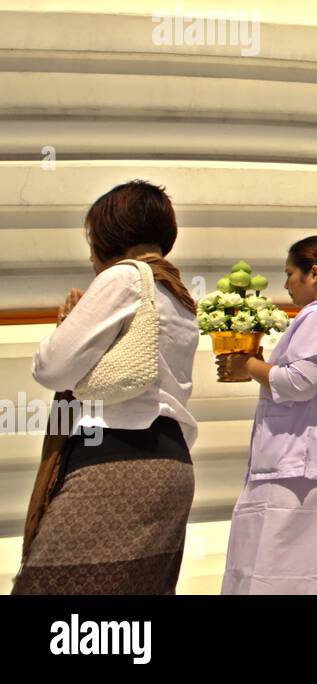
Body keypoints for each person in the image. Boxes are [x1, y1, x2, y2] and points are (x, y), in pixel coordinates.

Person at [15, 181, 200, 594]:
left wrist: (68, 327)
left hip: (115, 460)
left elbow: (51, 367)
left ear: (108, 234)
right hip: (170, 463)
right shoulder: (179, 294)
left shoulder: (124, 278)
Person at [219, 234, 317, 594]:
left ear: (314, 274)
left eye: (290, 274)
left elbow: (302, 382)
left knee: (276, 572)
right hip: (307, 463)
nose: (285, 284)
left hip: (296, 466)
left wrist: (249, 365)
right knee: (289, 572)